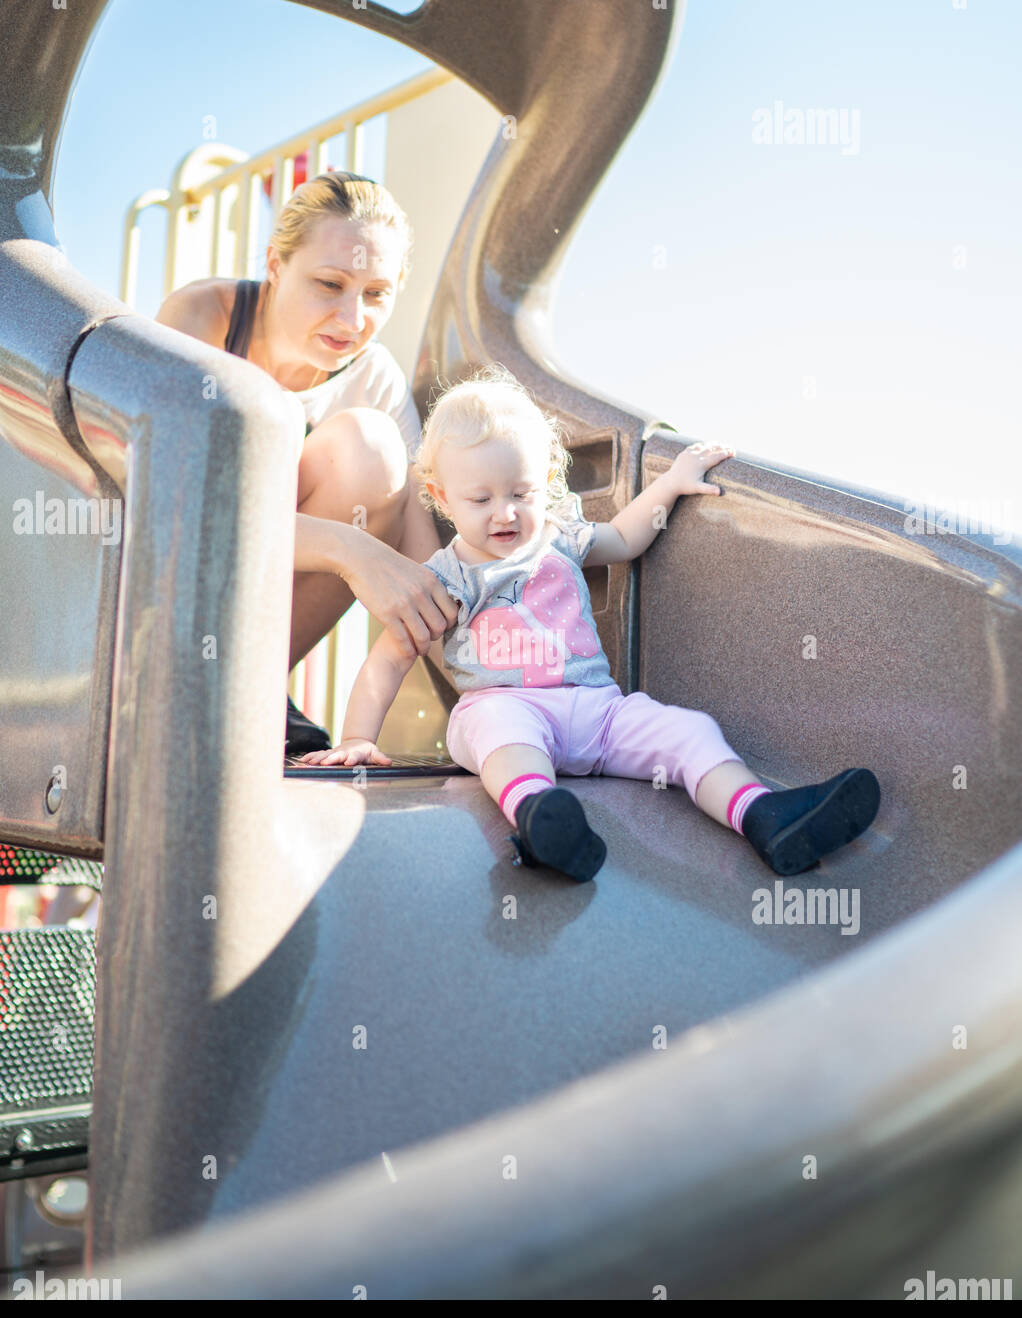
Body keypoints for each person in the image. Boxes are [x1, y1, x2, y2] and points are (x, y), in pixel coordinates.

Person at [298, 367, 881, 882]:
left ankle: (764, 814)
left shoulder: (559, 536)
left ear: (546, 477)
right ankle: (542, 820)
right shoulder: (446, 579)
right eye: (480, 499)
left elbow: (626, 537)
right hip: (504, 706)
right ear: (441, 496)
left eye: (521, 492)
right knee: (504, 735)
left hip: (595, 710)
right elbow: (388, 660)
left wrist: (671, 483)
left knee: (688, 730)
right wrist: (356, 739)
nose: (505, 512)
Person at [154, 171, 459, 753]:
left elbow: (424, 566)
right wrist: (352, 550)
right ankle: (198, 684)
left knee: (372, 447)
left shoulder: (374, 377)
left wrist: (494, 696)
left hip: (253, 639)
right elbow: (181, 512)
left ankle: (246, 688)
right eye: (329, 283)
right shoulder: (202, 320)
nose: (352, 320)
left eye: (376, 294)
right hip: (162, 601)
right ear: (275, 264)